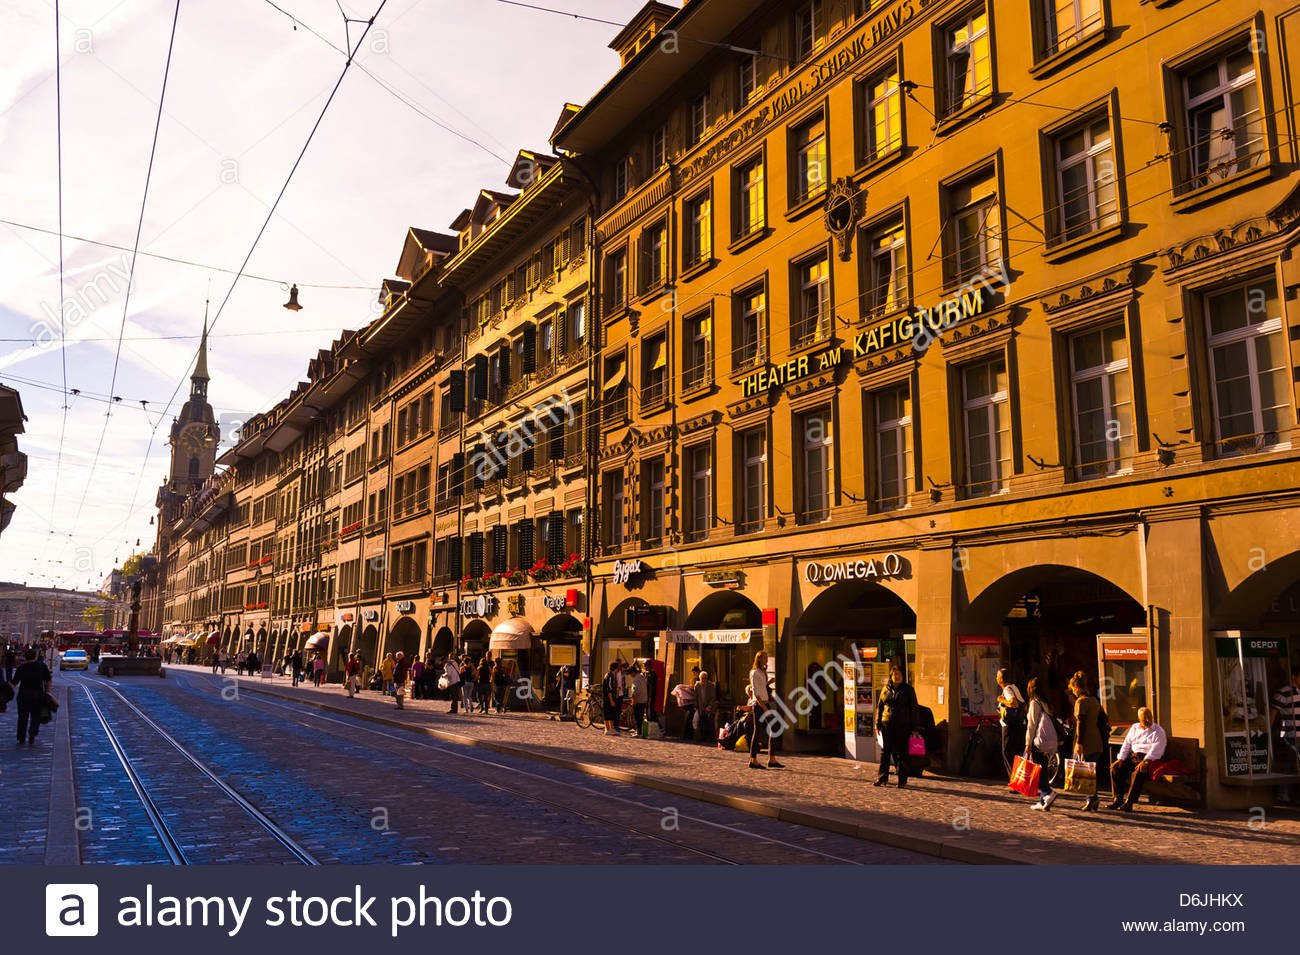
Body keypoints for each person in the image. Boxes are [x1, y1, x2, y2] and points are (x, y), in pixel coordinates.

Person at [1108, 706, 1168, 811]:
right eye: (1144, 718)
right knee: (1115, 768)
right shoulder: (1135, 727)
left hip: (1149, 758)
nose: (1148, 720)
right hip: (1134, 756)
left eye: (1150, 717)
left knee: (1138, 771)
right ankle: (1118, 798)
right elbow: (1127, 744)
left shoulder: (1158, 731)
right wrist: (1121, 758)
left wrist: (1145, 761)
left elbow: (1157, 750)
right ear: (1139, 719)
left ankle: (1129, 802)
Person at [1069, 671, 1106, 811]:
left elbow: (1081, 723)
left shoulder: (1080, 702)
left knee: (1085, 773)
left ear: (1076, 688)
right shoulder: (1094, 700)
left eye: (1073, 689)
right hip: (1097, 739)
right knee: (1091, 772)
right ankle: (1093, 799)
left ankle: (1092, 799)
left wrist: (1079, 743)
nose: (1073, 691)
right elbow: (1103, 718)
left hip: (1086, 741)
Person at [874, 664, 916, 788]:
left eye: (899, 674)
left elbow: (914, 709)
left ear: (903, 676)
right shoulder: (885, 689)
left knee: (901, 753)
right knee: (885, 752)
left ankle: (902, 780)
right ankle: (882, 778)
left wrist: (914, 728)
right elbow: (880, 707)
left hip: (902, 725)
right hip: (887, 724)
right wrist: (877, 723)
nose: (896, 677)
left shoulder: (908, 690)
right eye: (894, 674)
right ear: (891, 676)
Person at [1024, 676, 1059, 810]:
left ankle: (1048, 791)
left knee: (1037, 770)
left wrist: (1028, 743)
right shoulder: (1047, 703)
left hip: (1038, 741)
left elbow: (1031, 725)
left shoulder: (1035, 703)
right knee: (1042, 768)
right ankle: (1043, 801)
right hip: (1048, 741)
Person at [748, 651, 782, 769]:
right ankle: (753, 760)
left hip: (765, 703)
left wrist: (768, 683)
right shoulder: (754, 672)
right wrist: (765, 709)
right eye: (764, 658)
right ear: (758, 659)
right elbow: (756, 693)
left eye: (767, 657)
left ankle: (771, 759)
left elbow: (762, 688)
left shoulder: (763, 672)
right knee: (758, 731)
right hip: (759, 705)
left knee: (773, 728)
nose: (766, 660)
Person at [1271, 665, 1300, 805]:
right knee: (1290, 766)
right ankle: (1283, 795)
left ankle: (1291, 795)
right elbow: (1273, 714)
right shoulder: (1283, 693)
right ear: (1294, 677)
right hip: (1291, 735)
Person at [10, 648, 51, 745]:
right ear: (35, 656)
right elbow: (48, 680)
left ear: (25, 657)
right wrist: (48, 692)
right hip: (37, 694)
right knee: (36, 715)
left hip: (24, 695)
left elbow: (14, 683)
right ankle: (33, 731)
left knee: (22, 717)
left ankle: (21, 737)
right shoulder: (42, 666)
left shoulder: (21, 668)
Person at [996, 668, 1026, 779]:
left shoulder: (1008, 690)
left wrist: (1002, 700)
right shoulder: (1014, 688)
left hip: (1010, 726)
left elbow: (1014, 703)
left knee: (1007, 752)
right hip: (1019, 724)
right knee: (1016, 754)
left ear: (1001, 679)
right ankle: (1018, 780)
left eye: (997, 676)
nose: (996, 678)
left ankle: (1014, 780)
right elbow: (1023, 705)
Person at [694, 669, 717, 745]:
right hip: (701, 707)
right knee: (700, 722)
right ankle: (701, 737)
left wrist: (710, 706)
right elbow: (696, 697)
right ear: (700, 678)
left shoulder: (711, 685)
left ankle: (710, 738)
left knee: (710, 722)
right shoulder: (697, 685)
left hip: (709, 707)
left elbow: (713, 697)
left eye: (705, 678)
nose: (703, 680)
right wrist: (696, 706)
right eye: (702, 678)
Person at [601, 662, 623, 736]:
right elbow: (609, 689)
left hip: (609, 698)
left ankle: (611, 728)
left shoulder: (610, 675)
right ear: (615, 668)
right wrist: (611, 700)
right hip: (608, 698)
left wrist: (616, 688)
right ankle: (608, 729)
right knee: (608, 714)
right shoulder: (609, 676)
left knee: (610, 713)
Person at [628, 663, 648, 736]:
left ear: (633, 672)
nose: (630, 675)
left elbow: (637, 691)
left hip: (639, 701)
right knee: (641, 716)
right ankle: (640, 731)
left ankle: (639, 732)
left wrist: (634, 702)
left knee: (638, 717)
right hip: (643, 700)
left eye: (630, 673)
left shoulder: (636, 679)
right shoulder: (641, 677)